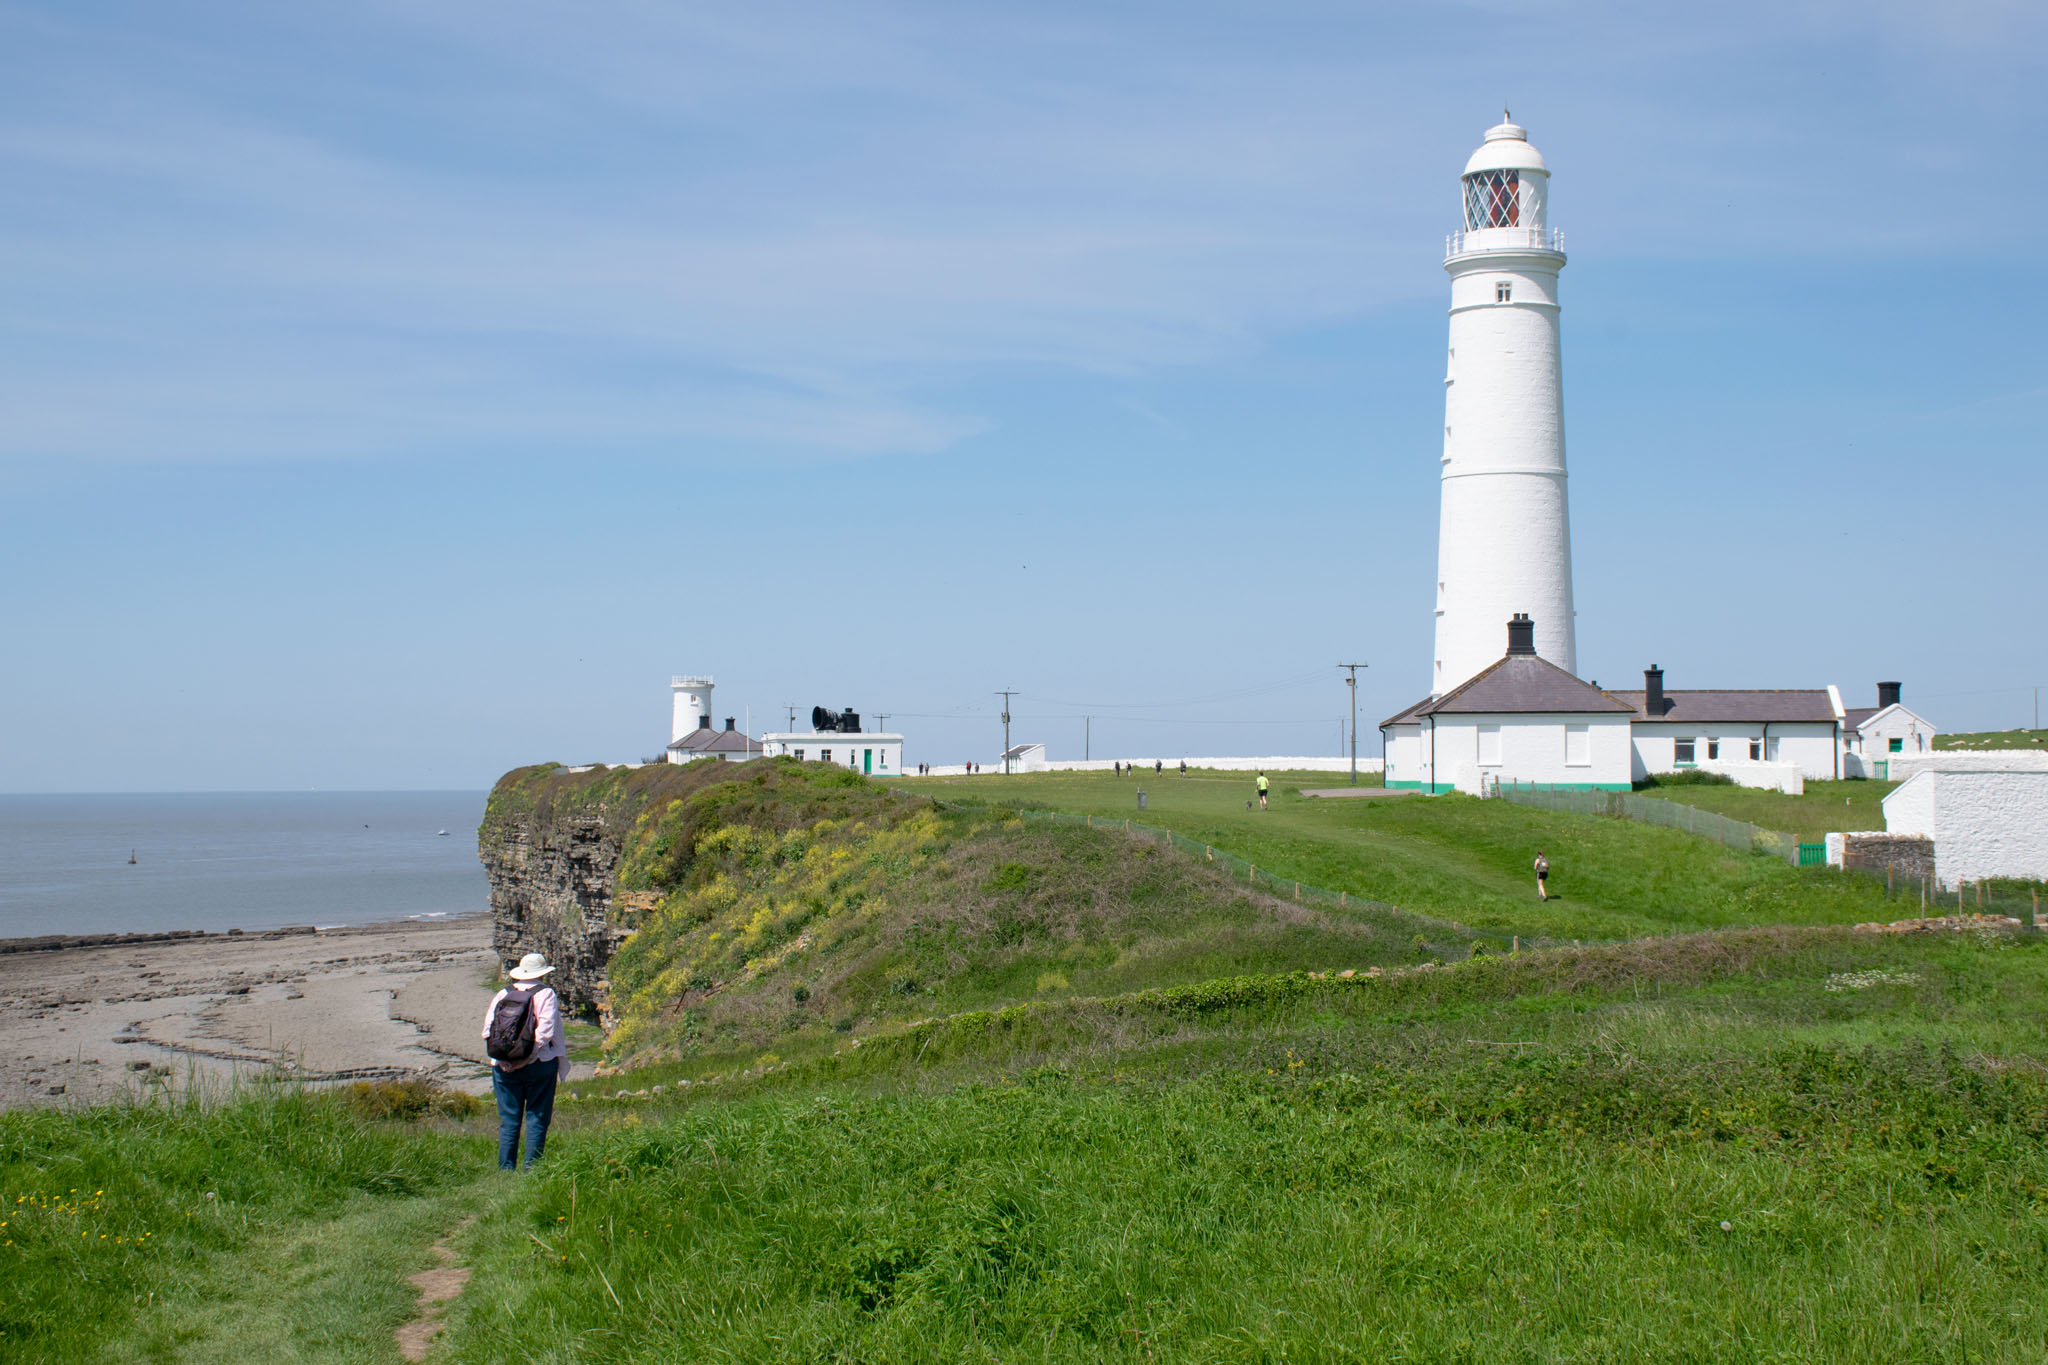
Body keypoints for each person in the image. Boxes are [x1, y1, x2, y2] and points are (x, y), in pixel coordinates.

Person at [482, 952, 568, 1171]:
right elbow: (545, 1033)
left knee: (509, 1120)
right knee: (537, 1117)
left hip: (503, 1067)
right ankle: (532, 1169)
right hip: (540, 1064)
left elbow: (487, 1031)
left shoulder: (503, 993)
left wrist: (503, 1060)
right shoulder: (546, 993)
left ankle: (506, 1170)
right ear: (543, 974)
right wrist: (527, 1059)